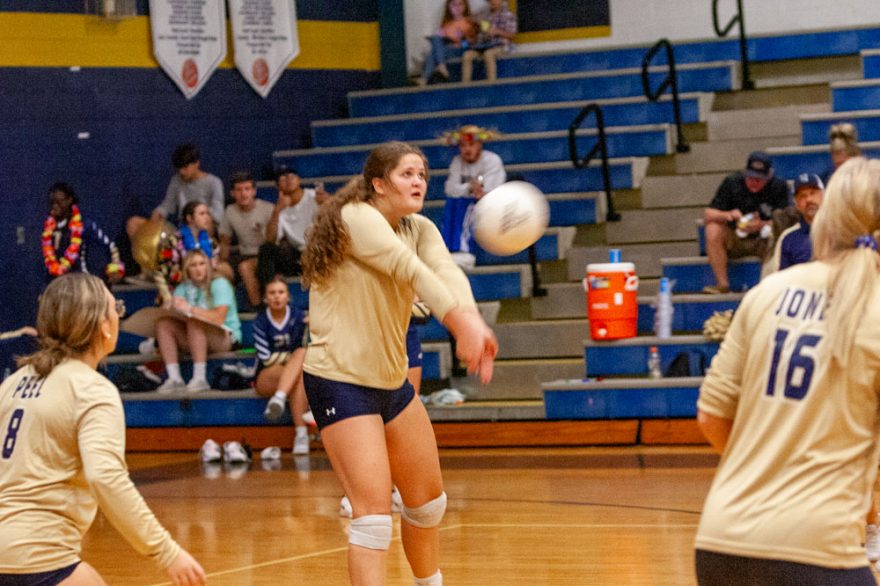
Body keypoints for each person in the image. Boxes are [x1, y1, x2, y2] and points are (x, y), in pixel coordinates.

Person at [300, 141, 497, 585]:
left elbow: (445, 272)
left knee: (428, 505)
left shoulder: (420, 227)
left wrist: (473, 323)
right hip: (339, 380)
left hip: (391, 383)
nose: (418, 182)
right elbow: (409, 270)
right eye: (408, 173)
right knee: (371, 518)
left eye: (423, 175)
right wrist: (457, 323)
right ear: (378, 183)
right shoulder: (356, 219)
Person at [695, 157, 880, 584]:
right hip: (817, 550)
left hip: (721, 541)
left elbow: (711, 416)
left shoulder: (768, 292)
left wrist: (770, 473)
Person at [0, 273, 205, 585]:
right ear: (102, 325)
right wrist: (166, 552)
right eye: (115, 308)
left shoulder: (11, 384)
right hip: (41, 558)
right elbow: (105, 477)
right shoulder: (92, 389)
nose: (118, 316)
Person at [155, 249, 242, 393]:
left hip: (225, 336)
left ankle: (200, 378)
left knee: (195, 321)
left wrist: (190, 309)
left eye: (202, 264)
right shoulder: (182, 288)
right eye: (193, 265)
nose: (198, 269)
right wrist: (169, 307)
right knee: (163, 324)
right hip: (195, 337)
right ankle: (175, 378)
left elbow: (219, 317)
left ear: (208, 266)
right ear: (187, 269)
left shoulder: (219, 283)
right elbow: (177, 316)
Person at [702, 151, 790, 294]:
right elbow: (708, 214)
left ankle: (772, 287)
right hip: (735, 236)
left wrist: (762, 225)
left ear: (768, 176)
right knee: (712, 229)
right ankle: (722, 284)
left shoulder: (779, 187)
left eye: (759, 179)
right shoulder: (732, 182)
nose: (754, 182)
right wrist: (728, 214)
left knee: (778, 235)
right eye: (750, 177)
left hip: (763, 239)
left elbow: (787, 220)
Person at [253, 276, 312, 455]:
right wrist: (292, 360)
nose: (276, 297)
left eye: (281, 292)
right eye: (272, 293)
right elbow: (267, 359)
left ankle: (300, 434)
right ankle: (301, 434)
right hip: (266, 377)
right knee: (299, 358)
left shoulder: (299, 317)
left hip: (292, 377)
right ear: (265, 298)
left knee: (300, 373)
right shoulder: (260, 322)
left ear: (288, 296)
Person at [126, 144, 225, 241]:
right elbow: (168, 205)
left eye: (185, 167)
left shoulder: (214, 182)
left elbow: (218, 214)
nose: (182, 172)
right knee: (133, 223)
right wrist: (159, 212)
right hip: (181, 229)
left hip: (204, 229)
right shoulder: (176, 180)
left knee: (206, 226)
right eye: (179, 168)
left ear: (197, 164)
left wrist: (198, 218)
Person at [441, 124, 506, 269]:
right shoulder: (457, 162)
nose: (467, 150)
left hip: (493, 206)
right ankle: (450, 249)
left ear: (480, 145)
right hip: (469, 202)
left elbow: (492, 190)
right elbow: (450, 189)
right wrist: (470, 187)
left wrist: (472, 192)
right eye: (463, 146)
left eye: (471, 145)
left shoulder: (492, 160)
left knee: (467, 204)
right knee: (454, 202)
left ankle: (464, 252)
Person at [258, 166, 328, 291]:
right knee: (266, 249)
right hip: (297, 256)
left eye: (291, 176)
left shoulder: (315, 196)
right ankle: (268, 294)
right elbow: (270, 240)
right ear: (278, 186)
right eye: (283, 178)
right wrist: (277, 211)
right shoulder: (279, 208)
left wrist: (327, 202)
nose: (288, 180)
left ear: (299, 180)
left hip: (319, 250)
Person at [42, 182, 125, 285]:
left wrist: (116, 267)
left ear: (69, 200)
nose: (55, 206)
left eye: (60, 202)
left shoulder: (84, 224)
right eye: (52, 202)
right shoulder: (48, 226)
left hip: (78, 282)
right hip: (53, 281)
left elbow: (111, 246)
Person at [218, 171, 274, 309]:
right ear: (232, 193)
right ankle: (226, 309)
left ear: (254, 191)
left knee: (245, 267)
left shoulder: (268, 209)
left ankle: (258, 308)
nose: (243, 194)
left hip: (264, 255)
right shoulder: (230, 211)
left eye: (247, 189)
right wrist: (221, 262)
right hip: (243, 255)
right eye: (239, 190)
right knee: (218, 269)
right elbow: (225, 242)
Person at [769, 173, 824, 272]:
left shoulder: (842, 230)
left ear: (824, 196)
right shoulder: (788, 238)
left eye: (813, 193)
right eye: (802, 196)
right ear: (796, 204)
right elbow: (781, 280)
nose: (809, 199)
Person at [420, 0, 476, 85]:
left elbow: (472, 43)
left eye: (460, 4)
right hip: (447, 48)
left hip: (460, 49)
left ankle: (425, 78)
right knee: (435, 41)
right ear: (449, 7)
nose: (457, 7)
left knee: (433, 53)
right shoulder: (447, 24)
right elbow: (439, 38)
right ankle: (441, 67)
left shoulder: (469, 22)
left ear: (465, 6)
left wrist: (461, 39)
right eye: (454, 5)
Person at [461, 0, 517, 82]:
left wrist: (496, 32)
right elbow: (483, 31)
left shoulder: (508, 15)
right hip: (485, 45)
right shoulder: (485, 15)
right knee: (467, 55)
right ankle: (465, 85)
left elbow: (512, 35)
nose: (492, 2)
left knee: (488, 54)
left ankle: (491, 83)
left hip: (501, 46)